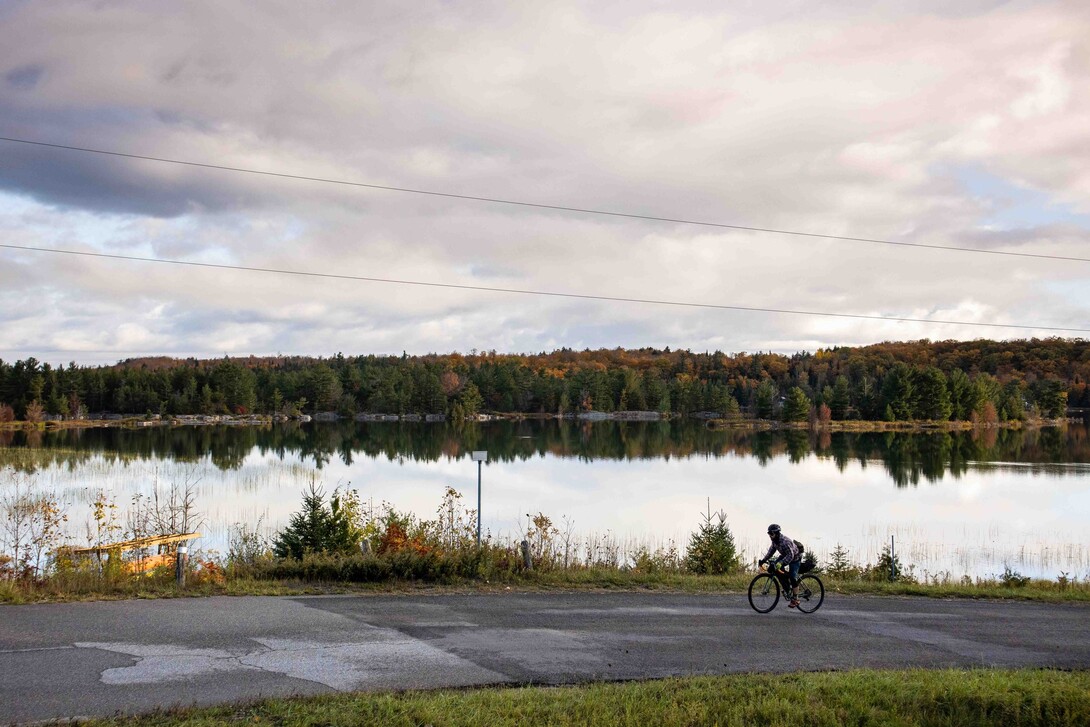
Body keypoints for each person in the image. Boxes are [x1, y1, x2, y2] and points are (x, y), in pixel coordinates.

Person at [759, 523, 801, 608]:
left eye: (771, 534)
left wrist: (781, 563)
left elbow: (791, 555)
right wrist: (763, 560)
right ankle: (786, 586)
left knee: (793, 577)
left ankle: (796, 599)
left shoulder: (785, 542)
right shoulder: (775, 541)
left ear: (777, 533)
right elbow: (771, 552)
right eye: (769, 533)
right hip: (785, 555)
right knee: (774, 568)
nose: (770, 536)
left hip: (795, 558)